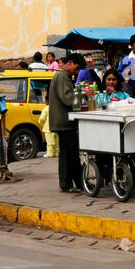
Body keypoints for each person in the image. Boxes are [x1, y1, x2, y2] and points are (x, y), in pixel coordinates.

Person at [49, 53, 85, 192]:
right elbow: (67, 98)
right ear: (70, 63)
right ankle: (67, 184)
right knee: (68, 155)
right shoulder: (62, 76)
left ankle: (72, 183)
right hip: (64, 122)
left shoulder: (63, 76)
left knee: (69, 154)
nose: (76, 72)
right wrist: (83, 96)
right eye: (76, 69)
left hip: (64, 122)